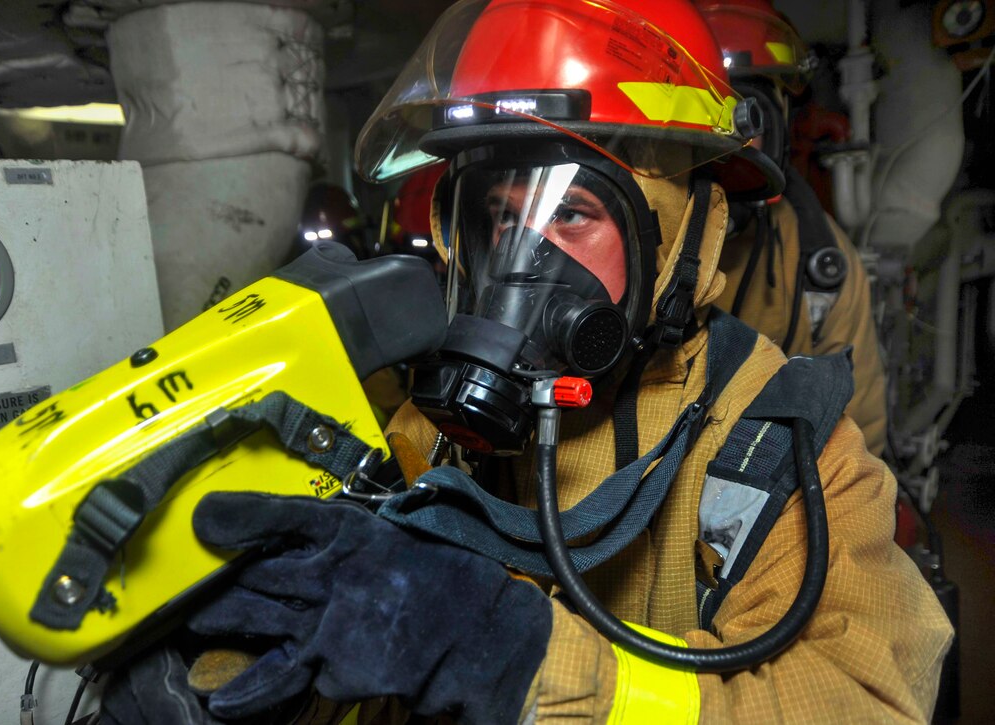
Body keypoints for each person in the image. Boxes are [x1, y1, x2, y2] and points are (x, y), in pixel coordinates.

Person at [101, 1, 951, 722]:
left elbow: (864, 697)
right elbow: (357, 640)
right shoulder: (423, 432)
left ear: (682, 241)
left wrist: (522, 661)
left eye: (573, 213)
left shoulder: (782, 448)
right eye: (496, 219)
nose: (521, 260)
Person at [694, 0, 889, 456]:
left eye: (743, 118)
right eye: (700, 118)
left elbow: (858, 440)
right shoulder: (605, 238)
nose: (720, 147)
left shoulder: (820, 262)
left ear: (779, 128)